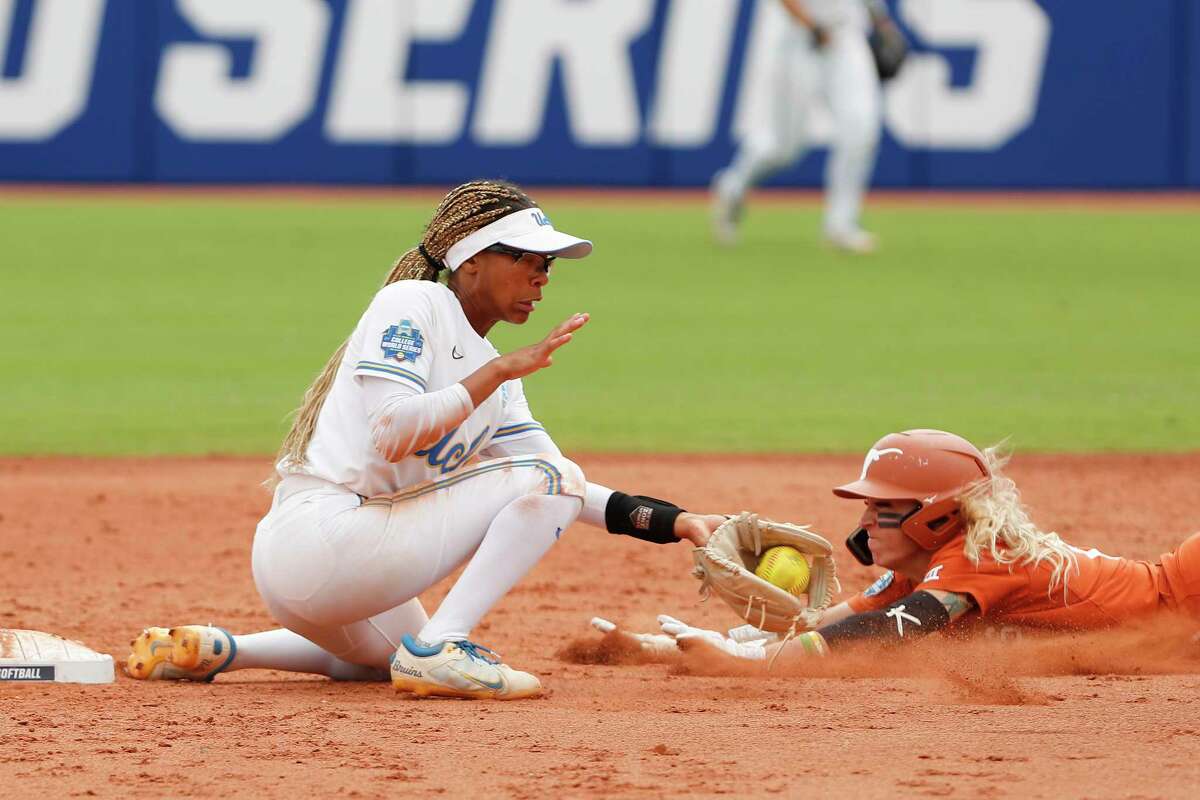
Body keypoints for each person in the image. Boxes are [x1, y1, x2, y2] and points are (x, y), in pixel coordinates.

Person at [126, 180, 725, 699]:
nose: (542, 275)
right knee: (543, 489)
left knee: (382, 664)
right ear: (470, 263)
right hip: (324, 532)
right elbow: (392, 431)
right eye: (525, 258)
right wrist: (497, 373)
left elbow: (557, 483)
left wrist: (675, 521)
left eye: (549, 264)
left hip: (334, 575)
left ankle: (221, 650)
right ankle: (443, 645)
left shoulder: (495, 368)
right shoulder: (415, 304)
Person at [635, 429, 1200, 663]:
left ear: (937, 516)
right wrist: (697, 643)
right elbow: (830, 621)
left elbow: (888, 629)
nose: (866, 520)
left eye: (884, 507)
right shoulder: (927, 567)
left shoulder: (977, 558)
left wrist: (754, 662)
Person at [711, 0, 897, 253]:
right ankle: (732, 187)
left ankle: (840, 225)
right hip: (802, 40)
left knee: (862, 129)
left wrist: (882, 22)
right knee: (786, 147)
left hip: (847, 38)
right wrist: (812, 26)